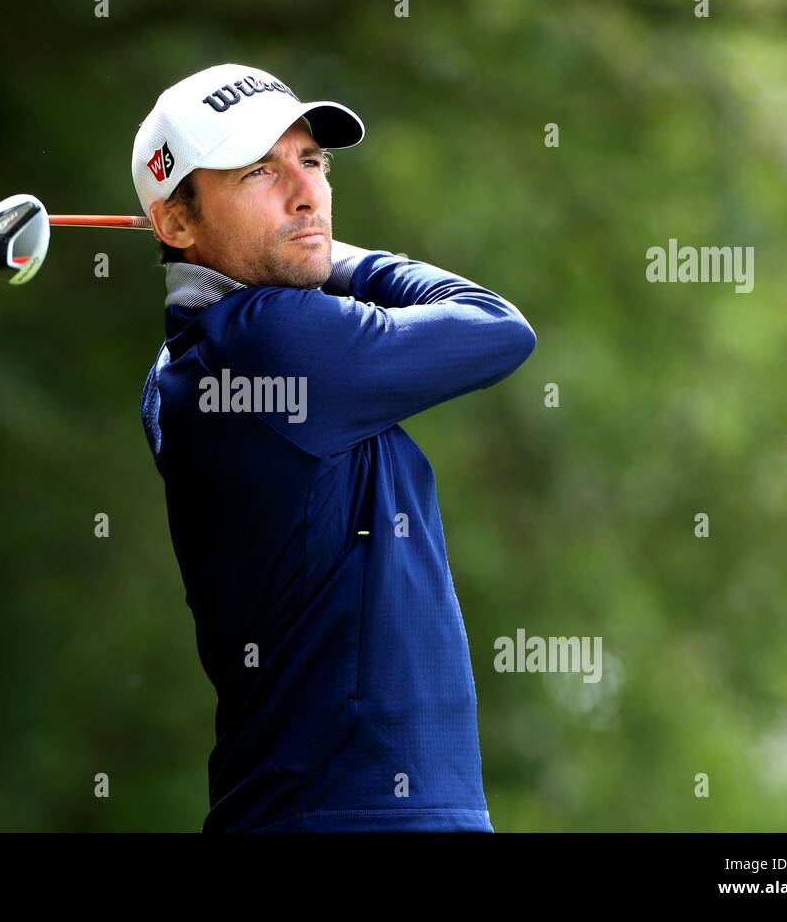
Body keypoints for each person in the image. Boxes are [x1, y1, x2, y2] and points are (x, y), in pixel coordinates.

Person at [134, 63, 536, 832]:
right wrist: (344, 256)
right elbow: (496, 327)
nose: (304, 190)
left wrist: (305, 244)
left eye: (311, 162)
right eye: (258, 170)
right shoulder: (271, 342)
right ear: (176, 222)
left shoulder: (189, 363)